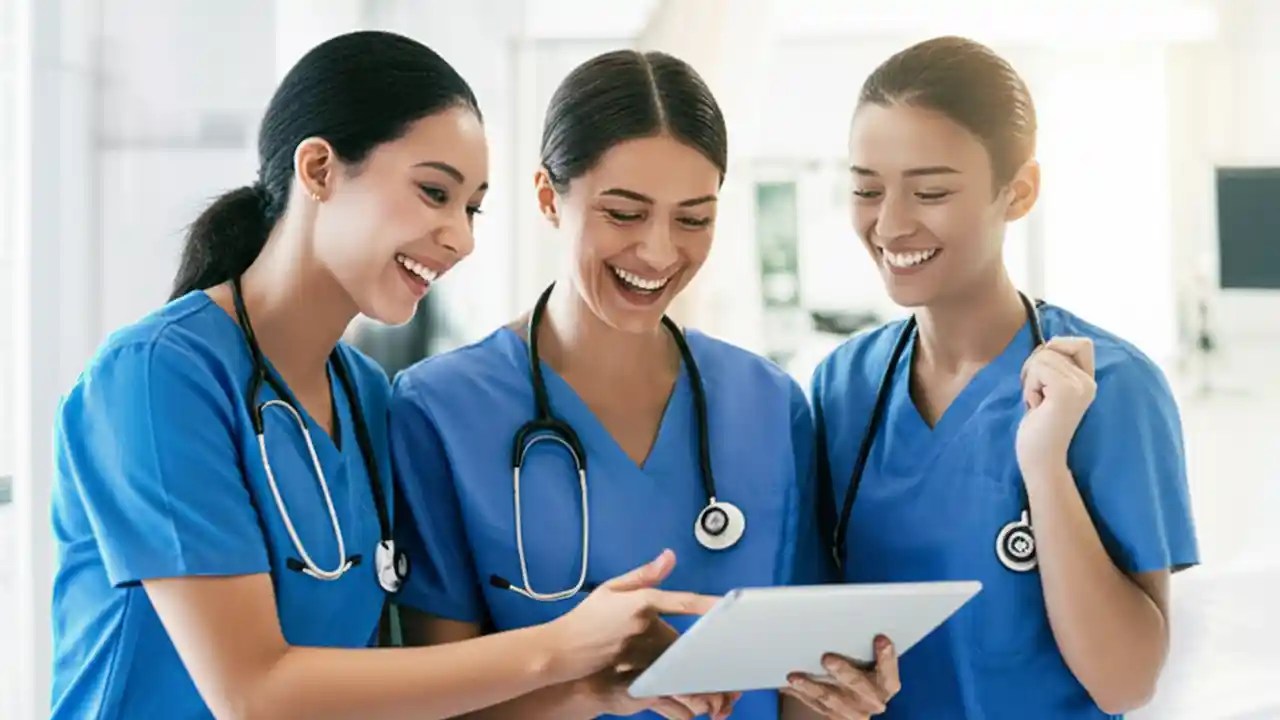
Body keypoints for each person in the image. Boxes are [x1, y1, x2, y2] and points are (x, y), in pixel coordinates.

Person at [48, 31, 725, 720]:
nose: (460, 238)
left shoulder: (369, 399)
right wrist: (559, 647)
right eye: (434, 192)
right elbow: (253, 693)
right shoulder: (159, 377)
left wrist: (582, 690)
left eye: (471, 208)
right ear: (318, 170)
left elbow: (383, 699)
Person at [390, 48, 901, 720]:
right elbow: (436, 708)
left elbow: (791, 691)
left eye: (693, 218)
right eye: (624, 213)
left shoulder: (769, 405)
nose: (660, 252)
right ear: (549, 198)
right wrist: (589, 689)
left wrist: (844, 701)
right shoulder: (439, 410)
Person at [811, 36, 1200, 718]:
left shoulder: (1114, 388)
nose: (891, 224)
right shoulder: (843, 387)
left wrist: (1045, 466)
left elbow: (1127, 683)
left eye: (930, 191)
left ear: (1017, 191)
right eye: (867, 189)